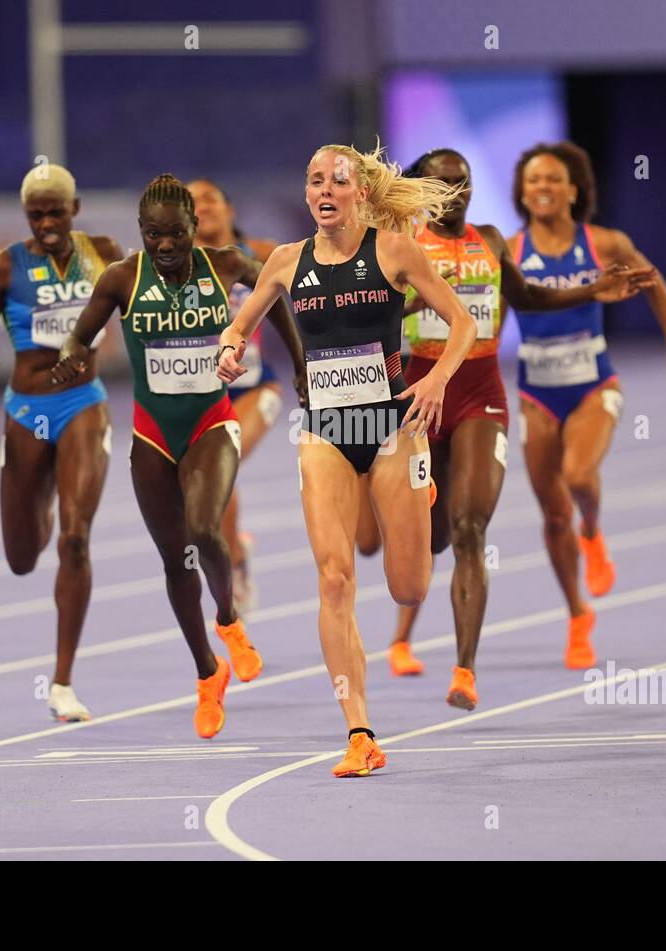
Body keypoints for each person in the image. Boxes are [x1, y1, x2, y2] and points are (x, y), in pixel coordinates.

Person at [218, 140, 484, 777]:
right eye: (315, 181)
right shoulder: (284, 262)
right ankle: (360, 732)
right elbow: (242, 324)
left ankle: (422, 498)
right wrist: (229, 347)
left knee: (407, 584)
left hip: (394, 430)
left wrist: (439, 376)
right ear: (307, 194)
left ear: (361, 192)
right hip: (326, 433)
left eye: (337, 180)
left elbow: (463, 323)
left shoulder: (393, 251)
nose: (325, 191)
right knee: (335, 577)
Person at [357, 148, 654, 708]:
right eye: (443, 185)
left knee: (469, 530)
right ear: (423, 191)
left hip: (481, 397)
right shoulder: (400, 246)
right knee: (434, 537)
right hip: (421, 398)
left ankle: (464, 671)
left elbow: (529, 297)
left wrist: (591, 291)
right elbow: (371, 316)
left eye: (464, 183)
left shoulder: (491, 240)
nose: (457, 193)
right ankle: (401, 595)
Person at [53, 174, 305, 739]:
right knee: (175, 562)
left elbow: (279, 302)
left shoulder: (229, 265)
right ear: (141, 233)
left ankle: (230, 620)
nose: (164, 246)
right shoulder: (123, 278)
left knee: (205, 530)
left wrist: (302, 365)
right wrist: (71, 357)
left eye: (175, 234)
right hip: (151, 435)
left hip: (212, 422)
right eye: (153, 235)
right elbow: (80, 336)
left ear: (196, 228)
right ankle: (205, 674)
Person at [0, 163, 122, 722]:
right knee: (21, 557)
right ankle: (40, 492)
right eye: (35, 214)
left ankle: (62, 682)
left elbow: (136, 317)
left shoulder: (105, 252)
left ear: (75, 209)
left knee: (75, 540)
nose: (45, 223)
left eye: (54, 212)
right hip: (25, 410)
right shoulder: (1, 269)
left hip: (83, 403)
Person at [509, 142, 666, 667]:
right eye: (533, 181)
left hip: (593, 381)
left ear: (574, 190)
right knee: (551, 517)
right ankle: (577, 615)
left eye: (553, 179)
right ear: (521, 192)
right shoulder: (508, 250)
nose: (543, 188)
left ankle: (592, 531)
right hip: (534, 389)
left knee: (576, 475)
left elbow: (652, 280)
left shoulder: (605, 242)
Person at [189, 178, 304, 612]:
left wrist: (304, 362)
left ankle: (235, 564)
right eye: (193, 202)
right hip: (201, 391)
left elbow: (304, 297)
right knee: (209, 478)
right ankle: (237, 548)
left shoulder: (261, 252)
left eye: (210, 198)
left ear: (229, 208)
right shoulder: (177, 263)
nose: (203, 207)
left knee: (226, 457)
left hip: (256, 385)